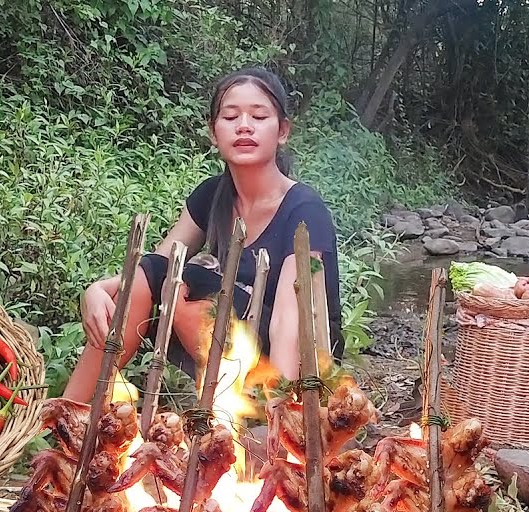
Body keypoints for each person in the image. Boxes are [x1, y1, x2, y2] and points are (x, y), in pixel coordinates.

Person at [63, 67, 344, 401]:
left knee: (190, 285)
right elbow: (154, 268)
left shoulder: (304, 210)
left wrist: (279, 411)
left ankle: (258, 412)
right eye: (230, 117)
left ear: (282, 131)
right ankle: (68, 414)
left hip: (295, 360)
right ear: (213, 132)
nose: (244, 126)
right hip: (230, 336)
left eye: (258, 116)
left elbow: (289, 319)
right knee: (163, 278)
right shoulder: (212, 195)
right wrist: (98, 290)